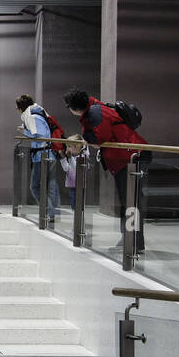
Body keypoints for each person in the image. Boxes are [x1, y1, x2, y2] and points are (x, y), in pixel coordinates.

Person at [63, 89, 148, 251]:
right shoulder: (95, 109)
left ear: (74, 107)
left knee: (131, 202)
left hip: (131, 159)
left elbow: (100, 138)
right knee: (128, 201)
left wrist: (89, 139)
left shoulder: (95, 112)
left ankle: (134, 242)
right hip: (126, 159)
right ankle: (130, 240)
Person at [15, 94, 61, 225]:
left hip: (42, 155)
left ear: (20, 108)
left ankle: (48, 211)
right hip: (49, 154)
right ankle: (51, 213)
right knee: (50, 185)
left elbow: (39, 137)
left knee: (35, 186)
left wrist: (24, 132)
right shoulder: (39, 111)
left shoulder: (32, 116)